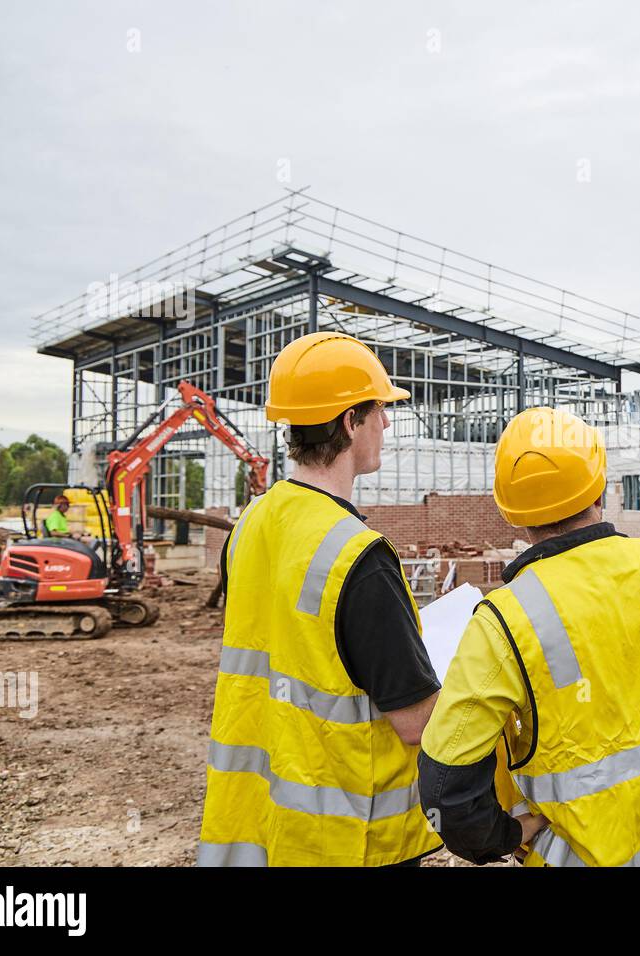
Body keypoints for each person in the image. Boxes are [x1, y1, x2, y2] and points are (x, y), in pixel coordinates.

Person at [418, 406, 640, 866]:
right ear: (600, 486)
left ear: (511, 513)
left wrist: (503, 836)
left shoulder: (504, 621)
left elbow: (446, 790)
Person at [198, 331, 442, 867]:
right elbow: (416, 723)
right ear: (351, 421)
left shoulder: (251, 524)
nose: (387, 424)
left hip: (262, 821)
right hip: (349, 837)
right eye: (379, 410)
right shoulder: (359, 557)